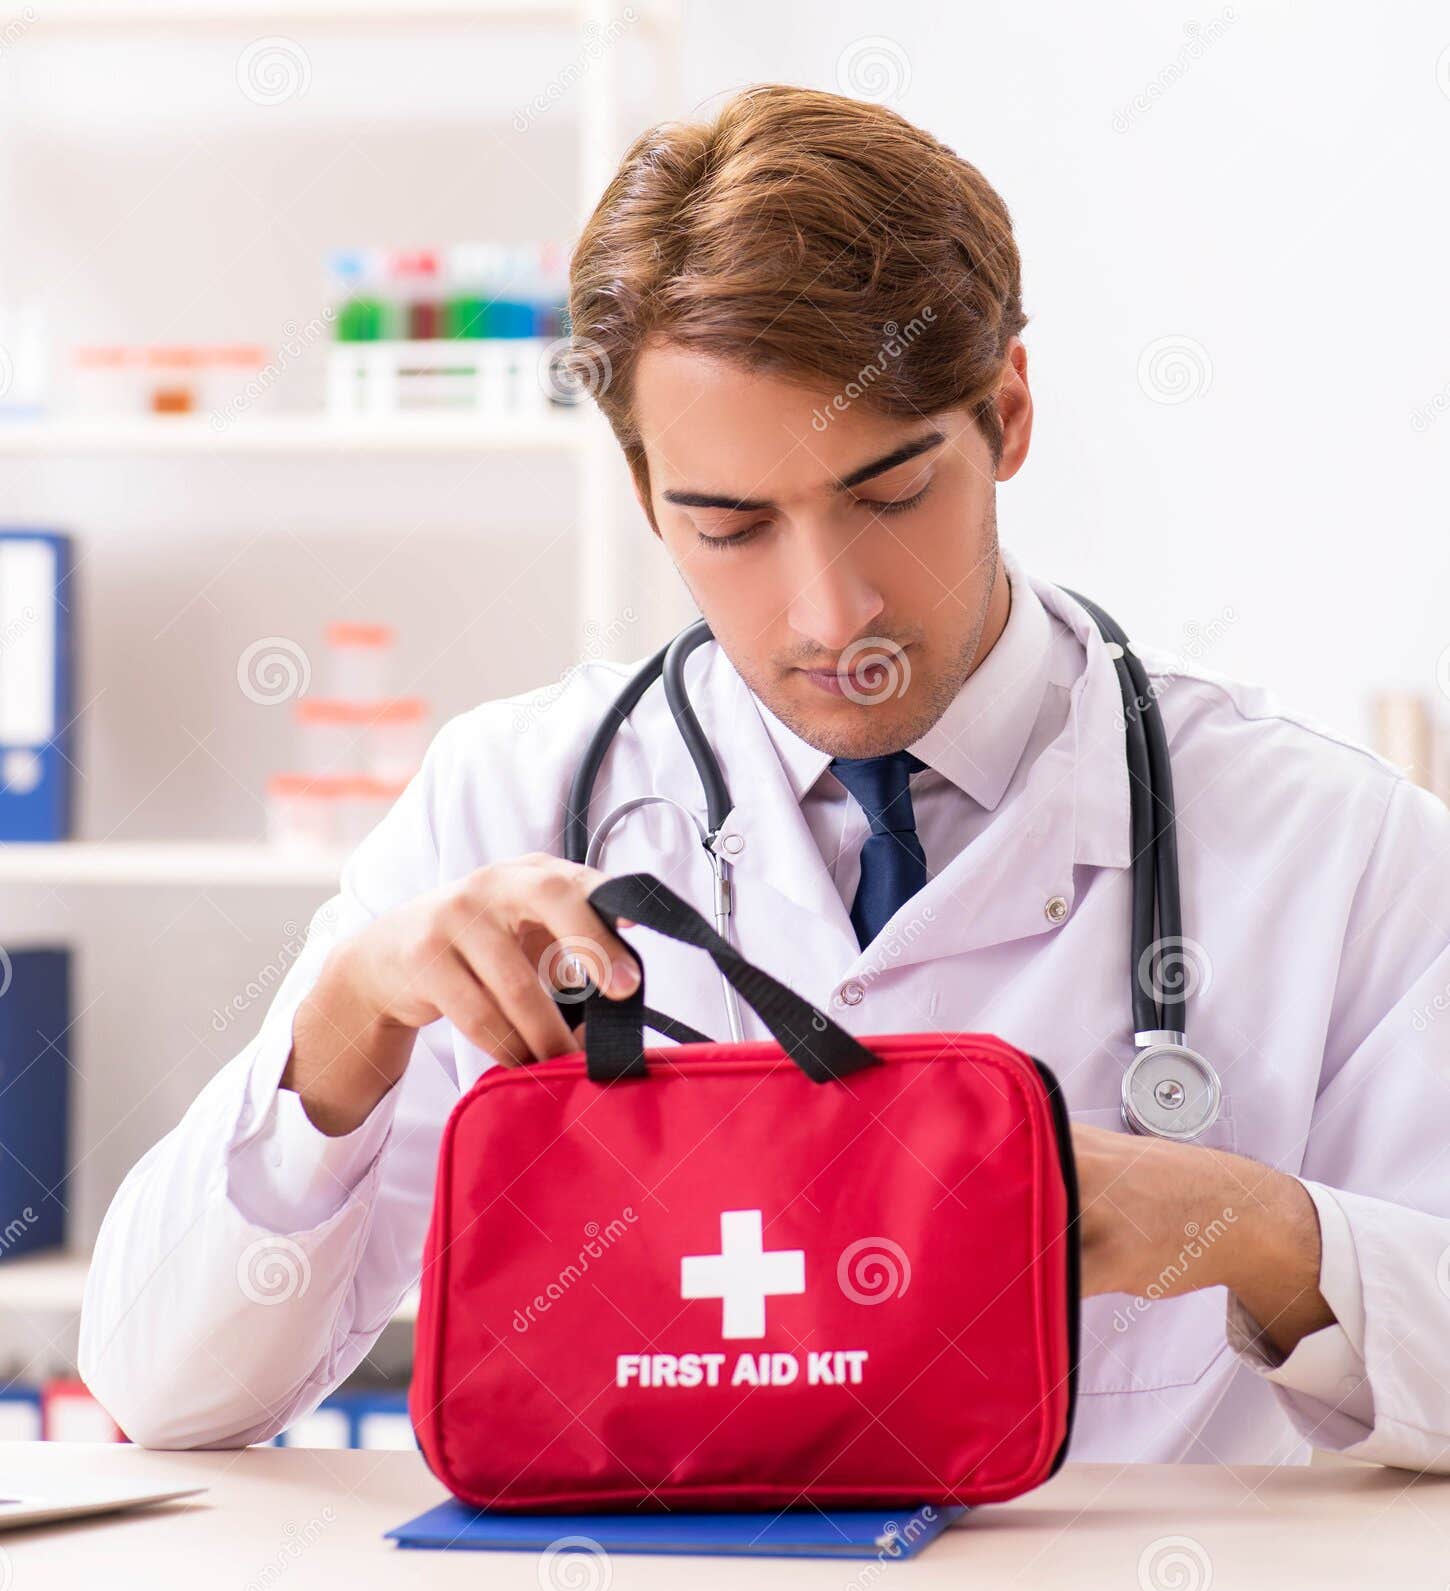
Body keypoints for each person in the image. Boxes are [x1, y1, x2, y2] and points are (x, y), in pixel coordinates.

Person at [81, 84, 1450, 1471]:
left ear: (1008, 413)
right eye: (729, 524)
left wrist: (1265, 1235)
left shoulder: (1336, 847)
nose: (828, 613)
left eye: (889, 492)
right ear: (639, 490)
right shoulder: (504, 799)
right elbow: (165, 1390)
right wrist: (345, 1026)